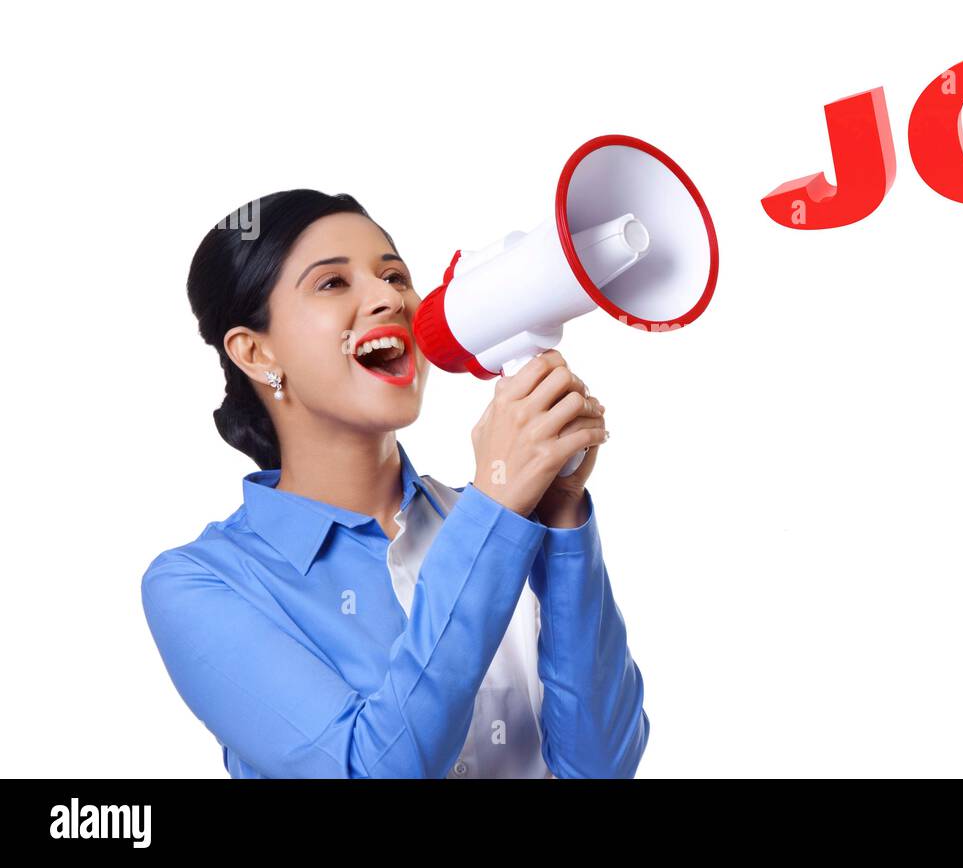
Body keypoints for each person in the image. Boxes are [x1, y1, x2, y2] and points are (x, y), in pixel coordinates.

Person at [140, 189, 650, 778]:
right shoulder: (202, 582)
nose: (389, 298)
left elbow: (601, 767)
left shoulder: (500, 522)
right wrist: (497, 504)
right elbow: (371, 770)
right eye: (333, 283)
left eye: (396, 276)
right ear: (255, 351)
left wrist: (560, 519)